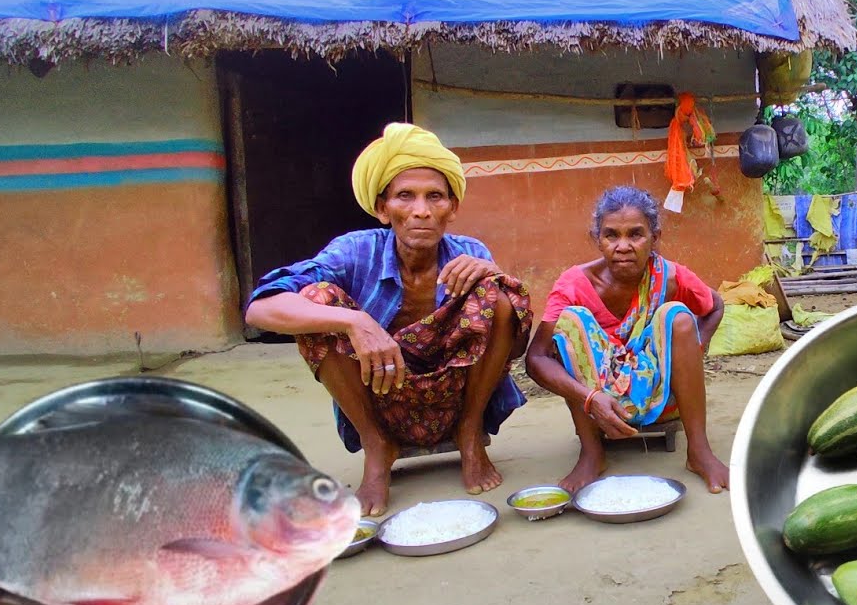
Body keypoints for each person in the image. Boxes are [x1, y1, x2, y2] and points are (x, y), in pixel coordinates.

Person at [245, 123, 532, 516]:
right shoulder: (354, 252)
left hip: (454, 394)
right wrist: (355, 323)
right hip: (380, 394)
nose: (421, 210)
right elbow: (260, 308)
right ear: (383, 209)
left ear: (452, 208)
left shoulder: (470, 253)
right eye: (405, 196)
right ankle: (377, 446)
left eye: (435, 197)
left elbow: (514, 346)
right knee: (316, 301)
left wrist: (493, 273)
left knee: (497, 293)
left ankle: (470, 434)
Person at [524, 185, 730, 494]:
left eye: (636, 234)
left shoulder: (669, 277)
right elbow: (536, 358)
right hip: (597, 401)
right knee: (570, 321)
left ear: (654, 238)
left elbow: (715, 306)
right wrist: (589, 398)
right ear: (597, 239)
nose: (623, 246)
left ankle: (699, 451)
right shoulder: (574, 284)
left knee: (677, 316)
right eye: (611, 235)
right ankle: (592, 453)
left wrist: (693, 351)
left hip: (661, 394)